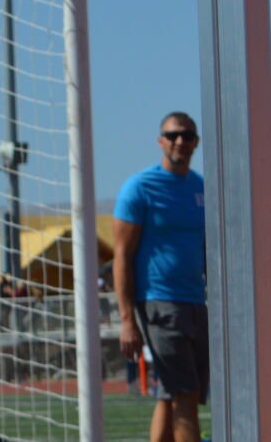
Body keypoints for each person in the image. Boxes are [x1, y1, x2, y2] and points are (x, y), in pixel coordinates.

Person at [113, 111, 207, 442]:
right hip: (159, 303)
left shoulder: (201, 188)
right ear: (160, 140)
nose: (179, 141)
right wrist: (126, 320)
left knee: (170, 395)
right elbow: (121, 255)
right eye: (172, 135)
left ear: (196, 142)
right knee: (186, 395)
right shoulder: (139, 188)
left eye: (187, 135)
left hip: (196, 301)